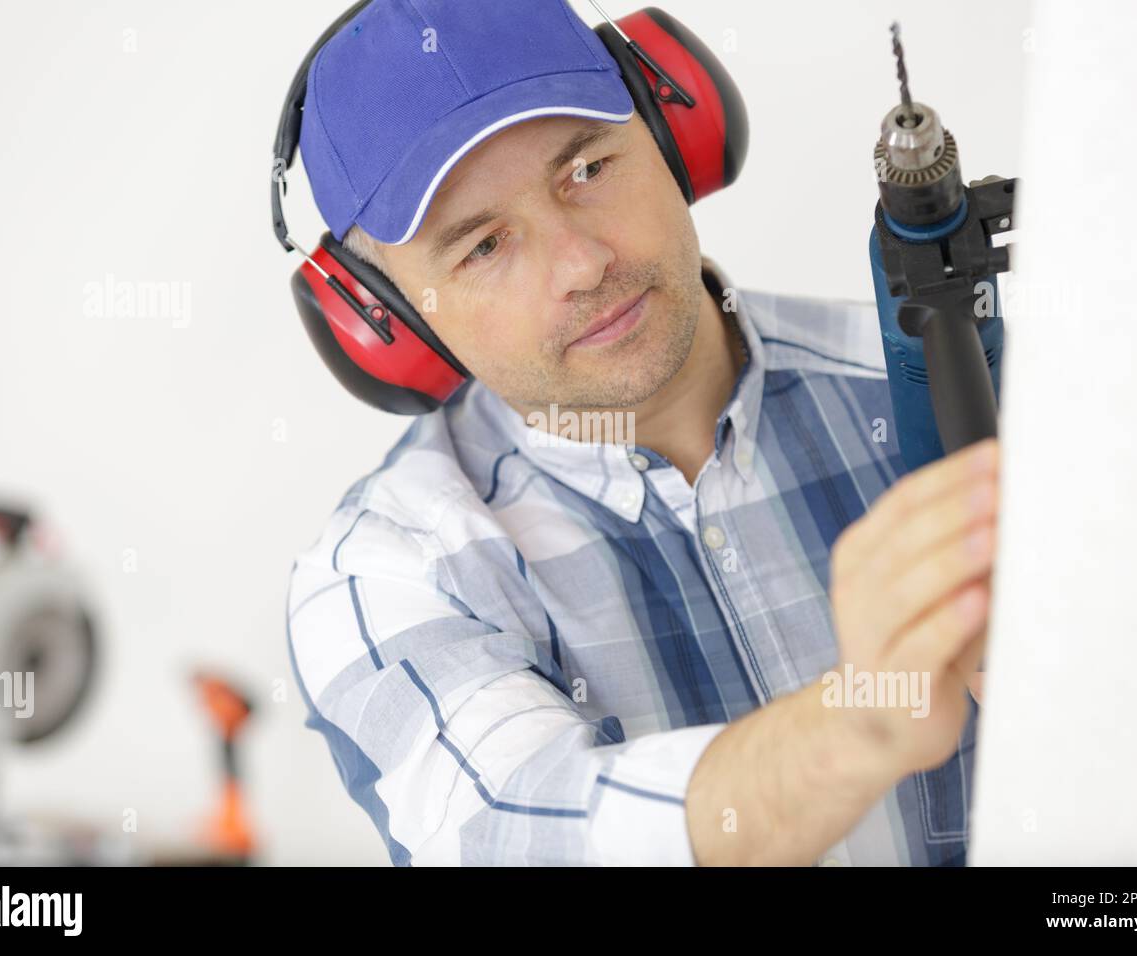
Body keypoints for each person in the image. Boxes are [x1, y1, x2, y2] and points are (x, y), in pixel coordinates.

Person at [285, 0, 998, 866]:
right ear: (387, 320)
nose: (582, 263)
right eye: (483, 246)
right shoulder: (388, 571)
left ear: (672, 134)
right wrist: (858, 725)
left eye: (586, 168)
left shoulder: (969, 391)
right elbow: (514, 836)